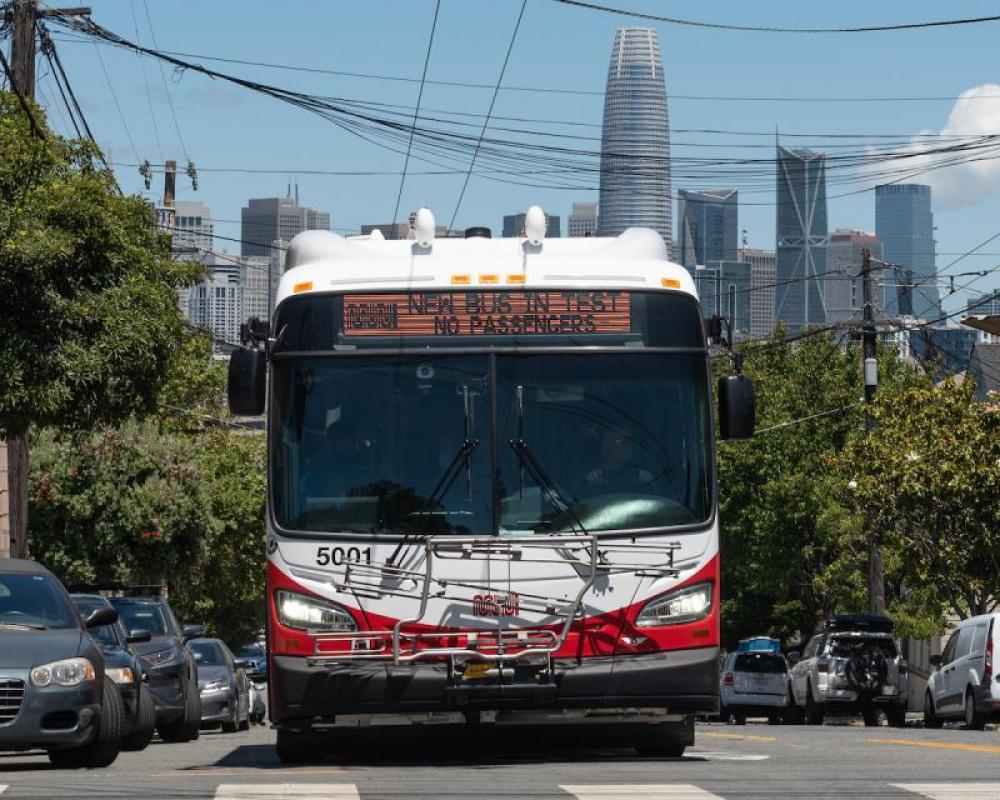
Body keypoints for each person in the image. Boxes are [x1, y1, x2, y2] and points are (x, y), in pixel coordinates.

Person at [578, 427, 656, 496]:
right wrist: (587, 485)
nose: (629, 446)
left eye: (629, 441)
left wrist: (650, 483)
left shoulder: (641, 476)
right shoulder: (588, 477)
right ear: (606, 443)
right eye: (624, 441)